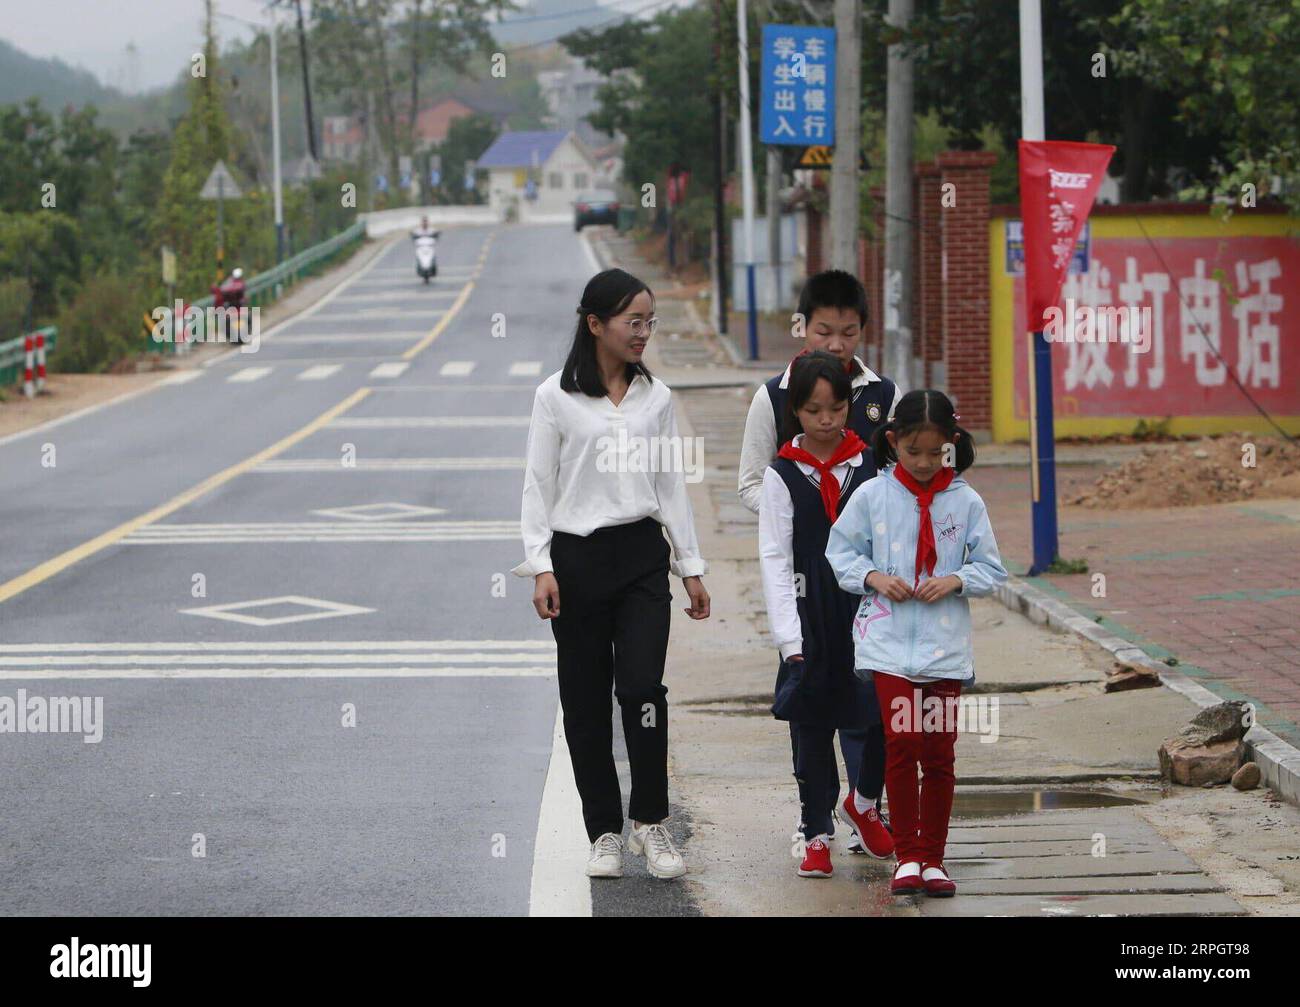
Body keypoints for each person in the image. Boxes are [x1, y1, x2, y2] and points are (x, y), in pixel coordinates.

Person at [514, 267, 711, 881]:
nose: (644, 332)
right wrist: (541, 566)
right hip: (576, 562)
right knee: (585, 701)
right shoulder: (554, 397)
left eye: (650, 321)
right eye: (634, 321)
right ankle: (603, 830)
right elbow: (537, 486)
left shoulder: (657, 397)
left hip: (642, 560)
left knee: (641, 689)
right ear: (595, 324)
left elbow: (670, 485)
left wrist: (691, 567)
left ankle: (651, 822)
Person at [737, 268, 902, 854]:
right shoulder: (774, 396)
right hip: (808, 582)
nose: (837, 344)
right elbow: (752, 482)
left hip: (867, 585)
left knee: (871, 701)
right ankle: (815, 822)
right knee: (812, 701)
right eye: (825, 330)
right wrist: (799, 509)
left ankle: (866, 805)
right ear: (802, 325)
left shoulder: (884, 398)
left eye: (850, 332)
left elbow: (901, 482)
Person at [826, 389, 1007, 897]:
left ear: (951, 444)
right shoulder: (871, 496)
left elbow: (993, 568)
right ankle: (907, 854)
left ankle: (934, 858)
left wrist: (955, 580)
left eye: (936, 452)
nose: (925, 463)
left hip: (944, 650)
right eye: (913, 452)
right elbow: (838, 553)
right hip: (887, 645)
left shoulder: (966, 501)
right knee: (901, 745)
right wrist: (874, 577)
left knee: (939, 752)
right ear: (892, 442)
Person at [758, 352, 896, 879]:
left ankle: (864, 801)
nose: (827, 420)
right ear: (795, 410)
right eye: (814, 410)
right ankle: (816, 832)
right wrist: (788, 637)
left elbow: (885, 536)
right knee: (811, 729)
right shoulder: (782, 474)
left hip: (863, 609)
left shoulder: (870, 465)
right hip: (808, 612)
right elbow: (775, 555)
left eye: (836, 408)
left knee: (880, 713)